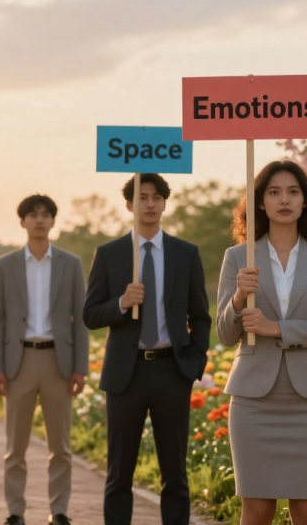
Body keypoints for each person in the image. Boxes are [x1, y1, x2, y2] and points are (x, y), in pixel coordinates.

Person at [216, 160, 307, 525]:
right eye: (274, 192)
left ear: (305, 201)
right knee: (256, 510)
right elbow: (226, 334)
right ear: (260, 202)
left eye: (293, 192)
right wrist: (239, 298)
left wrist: (277, 328)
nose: (284, 200)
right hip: (254, 402)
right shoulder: (238, 258)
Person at [82, 173, 211, 525]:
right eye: (142, 197)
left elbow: (201, 315)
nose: (150, 204)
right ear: (129, 205)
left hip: (173, 370)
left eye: (157, 197)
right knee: (119, 474)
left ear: (165, 203)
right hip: (127, 373)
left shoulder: (185, 254)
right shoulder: (109, 254)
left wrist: (195, 361)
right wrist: (121, 303)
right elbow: (90, 314)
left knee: (176, 474)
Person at [0, 194, 89, 525]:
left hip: (58, 363)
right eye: (33, 215)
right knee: (15, 448)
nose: (40, 220)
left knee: (60, 446)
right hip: (19, 363)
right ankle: (15, 511)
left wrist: (80, 366)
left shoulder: (70, 264)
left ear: (53, 221)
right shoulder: (5, 265)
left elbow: (80, 317)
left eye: (46, 215)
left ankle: (58, 511)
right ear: (23, 222)